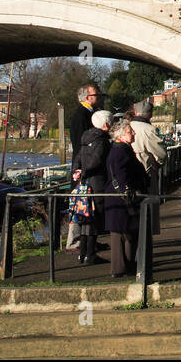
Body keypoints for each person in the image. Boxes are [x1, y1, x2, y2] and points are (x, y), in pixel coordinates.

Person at [104, 118, 147, 278]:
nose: (134, 133)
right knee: (121, 234)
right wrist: (129, 192)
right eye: (130, 132)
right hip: (121, 198)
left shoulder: (120, 148)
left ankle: (125, 266)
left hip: (120, 197)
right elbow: (122, 175)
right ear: (121, 136)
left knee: (126, 233)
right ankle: (121, 267)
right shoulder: (120, 150)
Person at [71, 109, 112, 266]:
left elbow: (78, 157)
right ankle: (90, 254)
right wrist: (86, 171)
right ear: (106, 125)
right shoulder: (102, 141)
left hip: (83, 184)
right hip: (97, 183)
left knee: (84, 217)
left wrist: (78, 171)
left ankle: (83, 253)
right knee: (94, 218)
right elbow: (98, 160)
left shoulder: (85, 138)